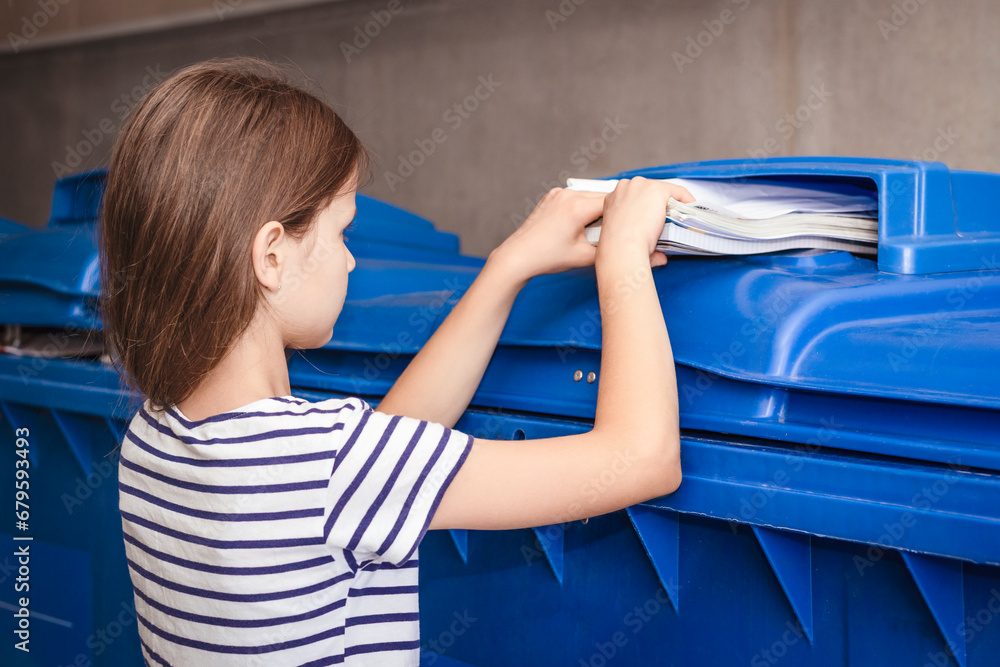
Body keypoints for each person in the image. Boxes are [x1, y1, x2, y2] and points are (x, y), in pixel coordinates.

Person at [100, 57, 691, 667]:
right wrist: (621, 257)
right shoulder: (329, 464)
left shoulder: (155, 436)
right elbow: (643, 461)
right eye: (343, 232)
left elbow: (383, 452)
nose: (351, 261)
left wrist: (508, 267)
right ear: (270, 256)